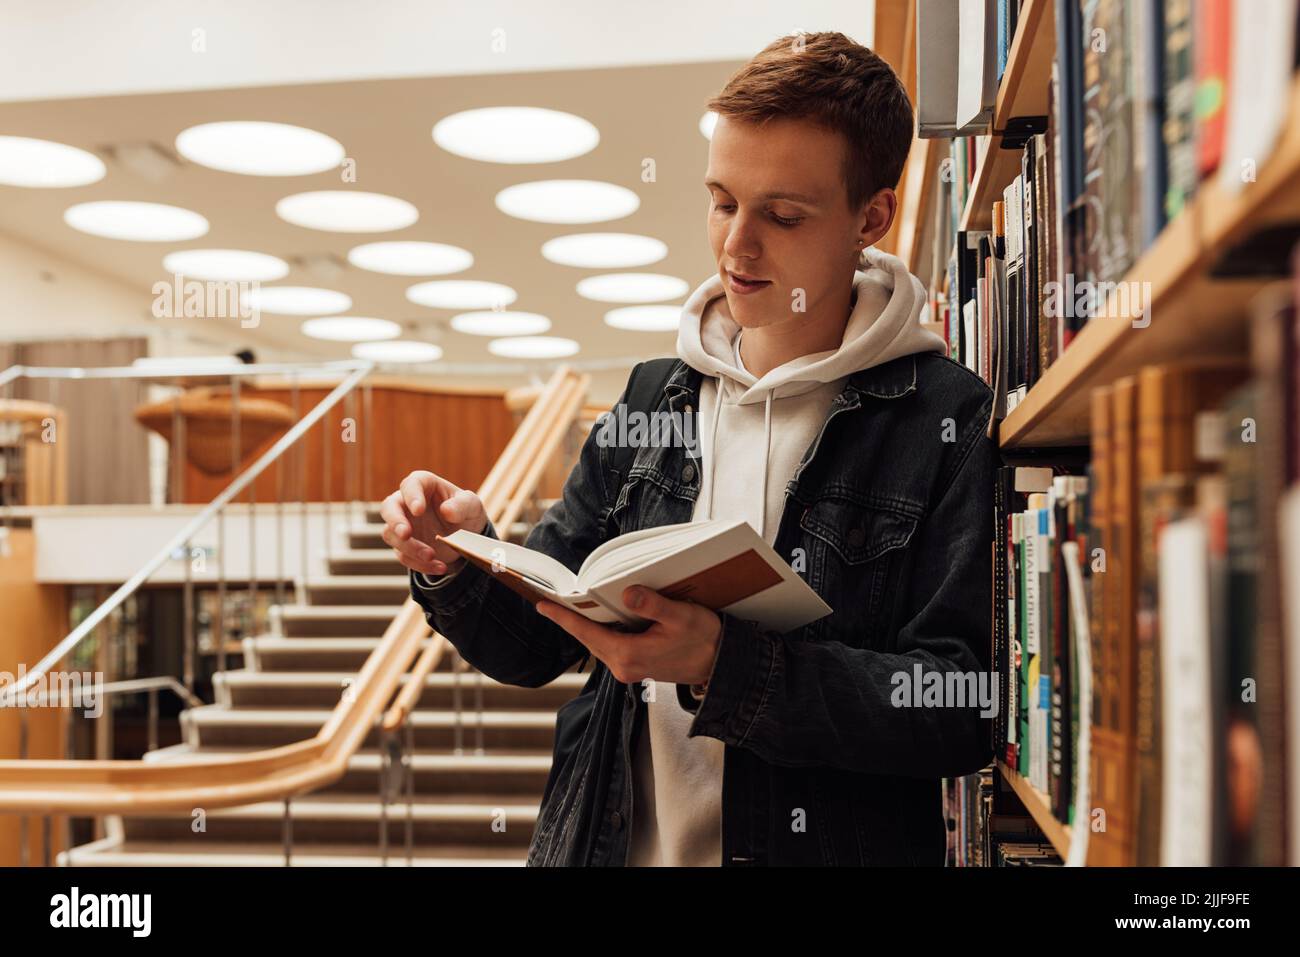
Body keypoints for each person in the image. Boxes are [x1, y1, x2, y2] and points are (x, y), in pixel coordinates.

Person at [383, 31, 996, 866]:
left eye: (782, 215)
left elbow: (960, 710)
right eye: (721, 200)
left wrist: (726, 665)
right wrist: (459, 555)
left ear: (872, 218)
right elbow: (537, 645)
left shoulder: (941, 416)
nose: (736, 246)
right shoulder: (652, 396)